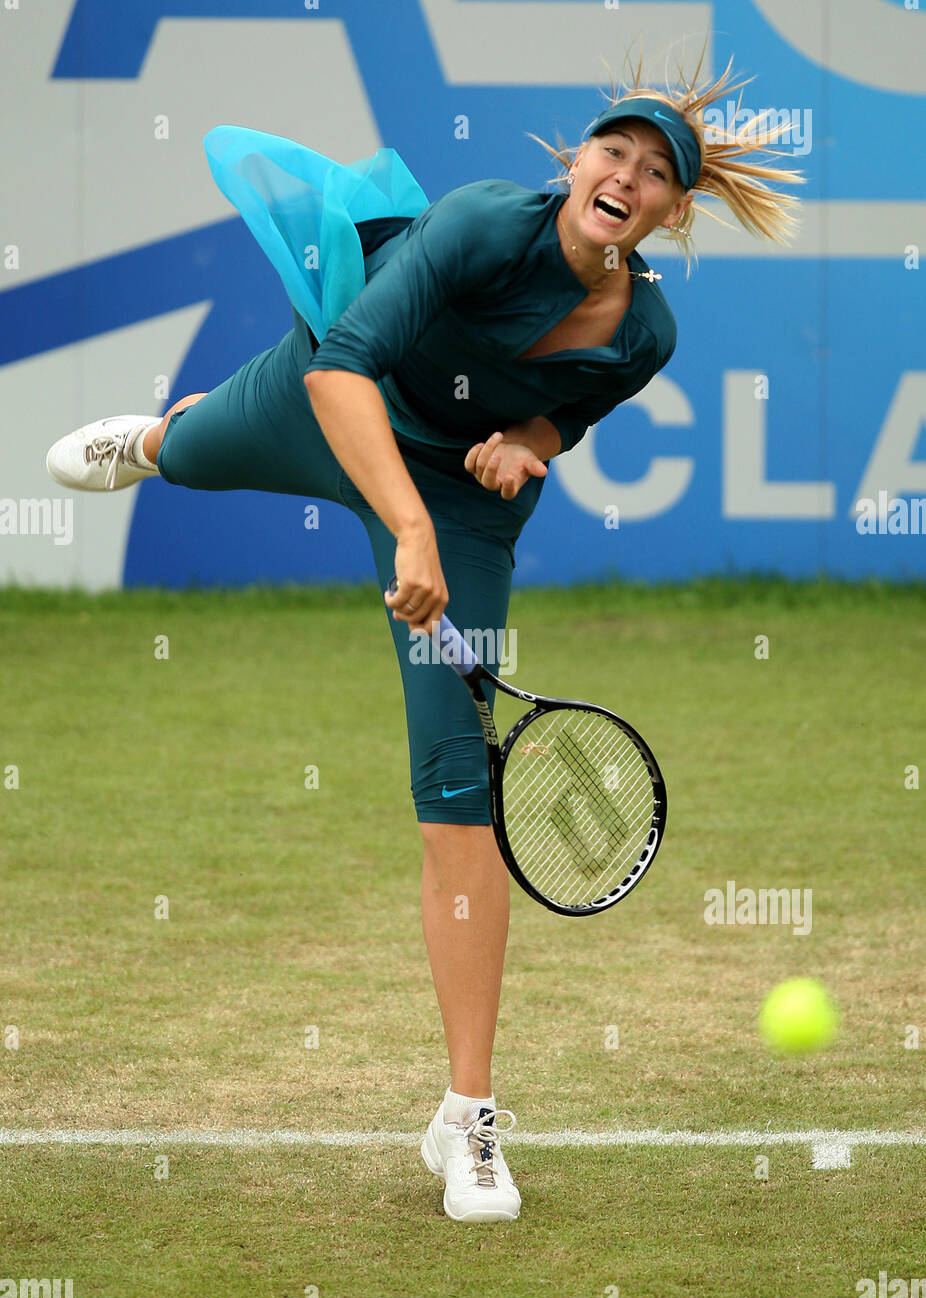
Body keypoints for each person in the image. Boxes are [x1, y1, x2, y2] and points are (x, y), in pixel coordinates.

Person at [45, 53, 803, 1224]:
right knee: (189, 459)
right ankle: (165, 432)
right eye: (614, 152)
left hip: (461, 503)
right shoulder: (475, 226)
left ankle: (466, 1118)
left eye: (655, 175)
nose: (627, 176)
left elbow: (574, 406)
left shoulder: (644, 329)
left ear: (667, 212)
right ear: (576, 161)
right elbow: (346, 362)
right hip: (335, 401)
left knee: (458, 788)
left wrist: (535, 440)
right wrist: (403, 528)